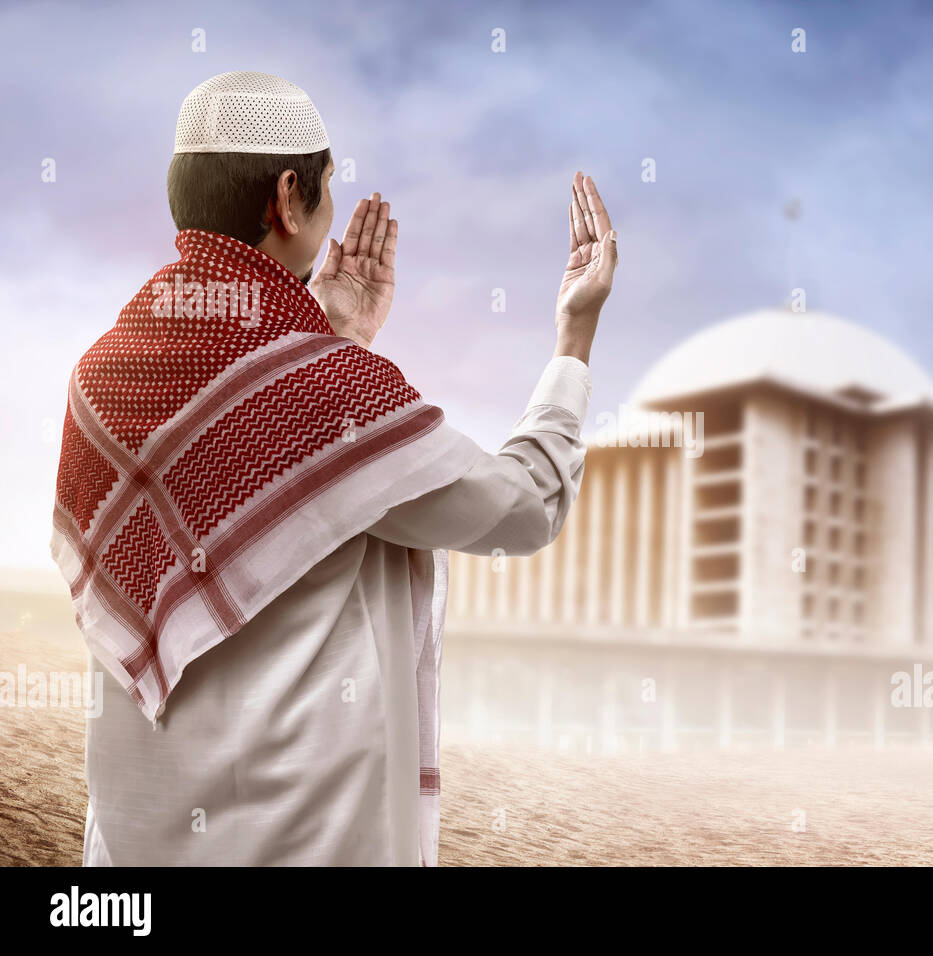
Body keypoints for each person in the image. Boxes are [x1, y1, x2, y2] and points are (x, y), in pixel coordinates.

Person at [50, 71, 617, 866]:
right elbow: (524, 507)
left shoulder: (99, 377)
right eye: (325, 183)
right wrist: (575, 334)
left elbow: (248, 460)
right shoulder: (325, 393)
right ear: (287, 196)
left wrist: (331, 335)